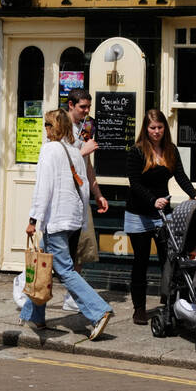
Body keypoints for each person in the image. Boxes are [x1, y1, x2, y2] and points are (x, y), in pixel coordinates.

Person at [22, 108, 113, 340]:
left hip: (57, 221)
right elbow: (83, 189)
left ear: (55, 128)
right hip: (73, 220)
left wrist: (34, 219)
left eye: (47, 125)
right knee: (46, 266)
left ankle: (99, 311)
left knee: (64, 269)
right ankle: (34, 314)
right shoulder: (74, 152)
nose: (45, 130)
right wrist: (81, 221)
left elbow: (43, 188)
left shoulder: (49, 150)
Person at [125, 109, 196, 324]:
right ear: (145, 129)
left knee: (169, 259)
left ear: (165, 128)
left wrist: (193, 193)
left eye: (159, 127)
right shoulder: (137, 151)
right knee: (141, 260)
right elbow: (135, 183)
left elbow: (181, 176)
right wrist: (152, 200)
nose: (156, 132)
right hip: (139, 212)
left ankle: (169, 301)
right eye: (152, 128)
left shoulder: (170, 150)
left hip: (162, 212)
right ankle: (139, 308)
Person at [61, 88, 108, 313]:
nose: (87, 111)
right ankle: (28, 287)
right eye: (83, 107)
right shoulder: (59, 127)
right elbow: (59, 163)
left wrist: (97, 194)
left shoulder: (86, 128)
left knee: (81, 248)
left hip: (82, 196)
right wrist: (82, 152)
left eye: (89, 107)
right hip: (63, 197)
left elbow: (87, 166)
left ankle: (72, 295)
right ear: (70, 105)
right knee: (55, 249)